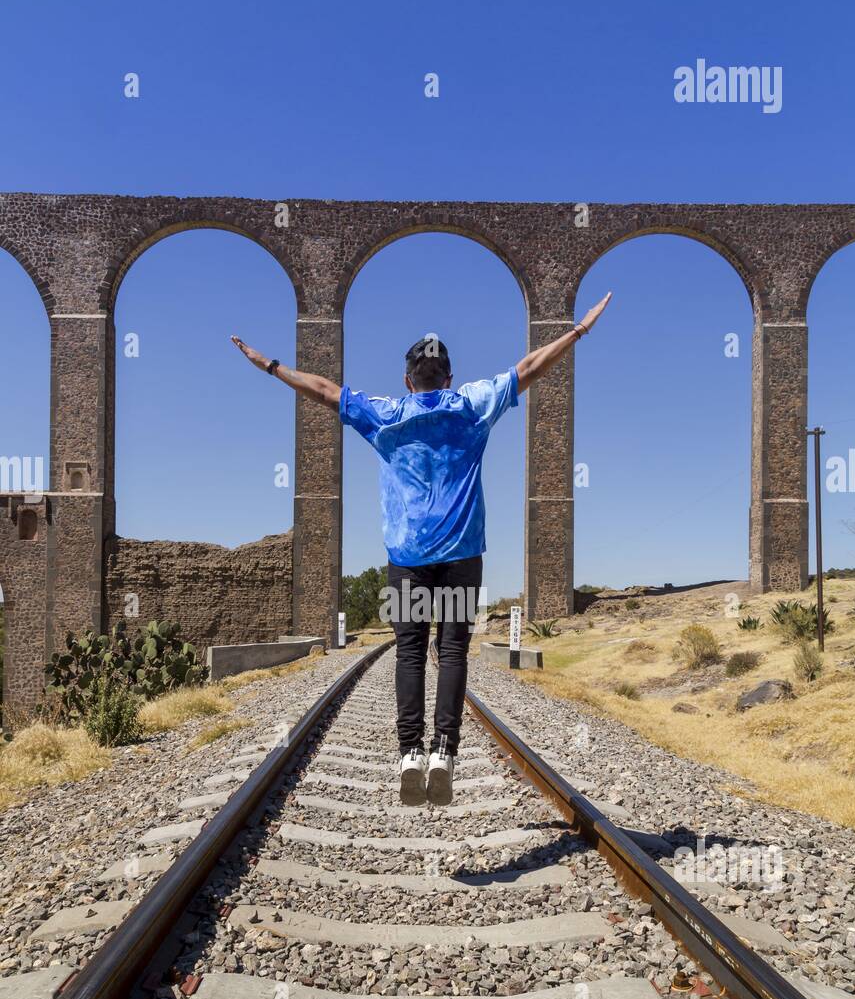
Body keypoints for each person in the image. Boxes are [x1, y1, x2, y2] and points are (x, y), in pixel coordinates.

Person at [231, 289, 611, 806]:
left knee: (410, 652)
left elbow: (322, 389)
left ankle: (409, 752)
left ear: (409, 380)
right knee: (451, 650)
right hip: (461, 556)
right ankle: (444, 752)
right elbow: (530, 367)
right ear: (448, 377)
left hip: (407, 559)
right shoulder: (473, 404)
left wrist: (269, 364)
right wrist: (578, 331)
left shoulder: (386, 413)